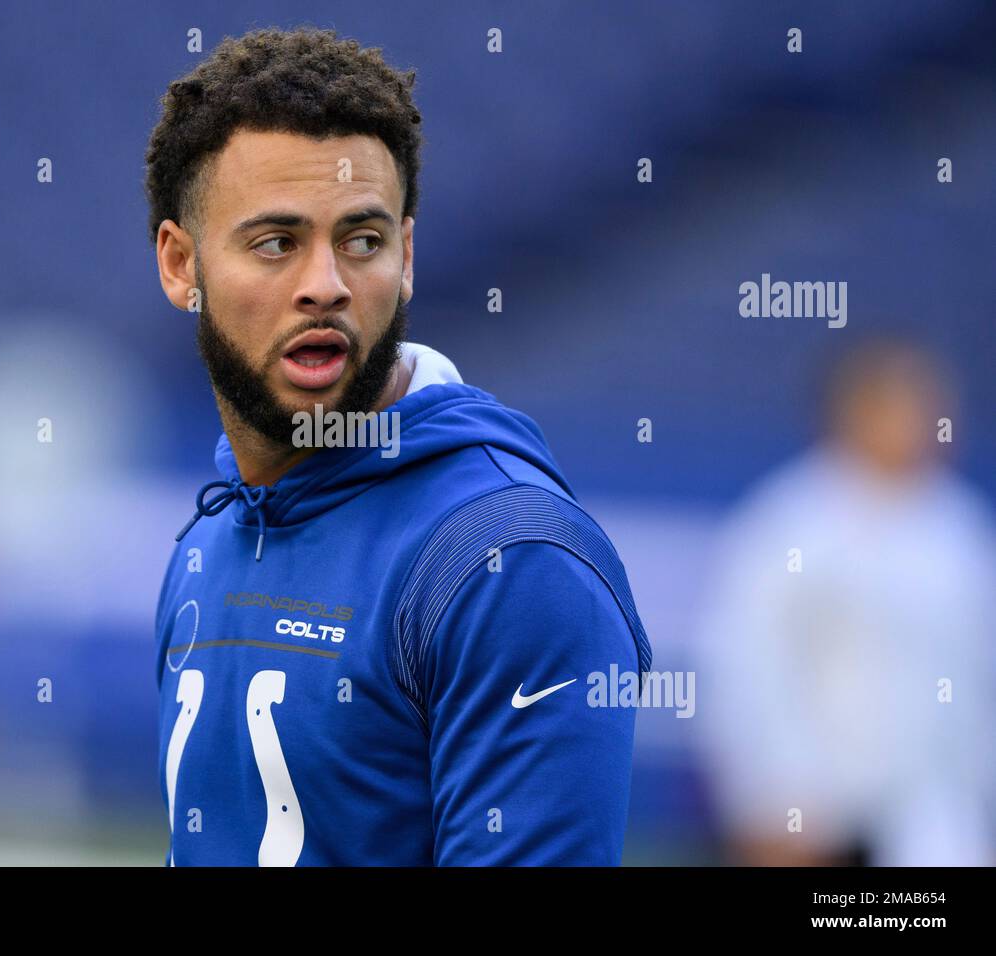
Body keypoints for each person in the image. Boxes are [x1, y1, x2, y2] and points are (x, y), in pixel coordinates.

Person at [145, 26, 650, 866]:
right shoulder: (214, 534)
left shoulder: (510, 563)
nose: (325, 285)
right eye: (276, 243)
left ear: (407, 256)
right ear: (179, 264)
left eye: (362, 240)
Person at [697, 340, 996, 865]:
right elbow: (743, 665)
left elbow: (978, 681)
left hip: (934, 822)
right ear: (856, 409)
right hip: (810, 814)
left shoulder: (961, 532)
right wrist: (766, 797)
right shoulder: (790, 522)